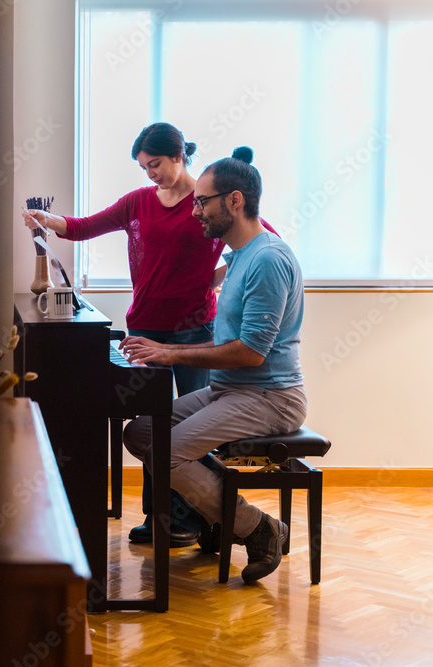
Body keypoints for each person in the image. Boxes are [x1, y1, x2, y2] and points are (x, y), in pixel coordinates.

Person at [23, 122, 222, 547]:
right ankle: (160, 519)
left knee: (192, 426)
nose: (150, 174)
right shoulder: (138, 202)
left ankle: (199, 520)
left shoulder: (205, 204)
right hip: (145, 325)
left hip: (194, 332)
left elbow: (257, 240)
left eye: (155, 165)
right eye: (144, 167)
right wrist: (46, 220)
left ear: (178, 156)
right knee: (152, 422)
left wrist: (215, 278)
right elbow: (83, 226)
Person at [119, 147, 307, 583]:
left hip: (270, 397)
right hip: (231, 391)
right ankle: (219, 516)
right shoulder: (239, 257)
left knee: (165, 456)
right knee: (141, 432)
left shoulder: (268, 260)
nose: (195, 211)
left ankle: (256, 529)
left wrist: (170, 353)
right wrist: (163, 349)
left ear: (235, 201)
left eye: (202, 202)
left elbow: (250, 353)